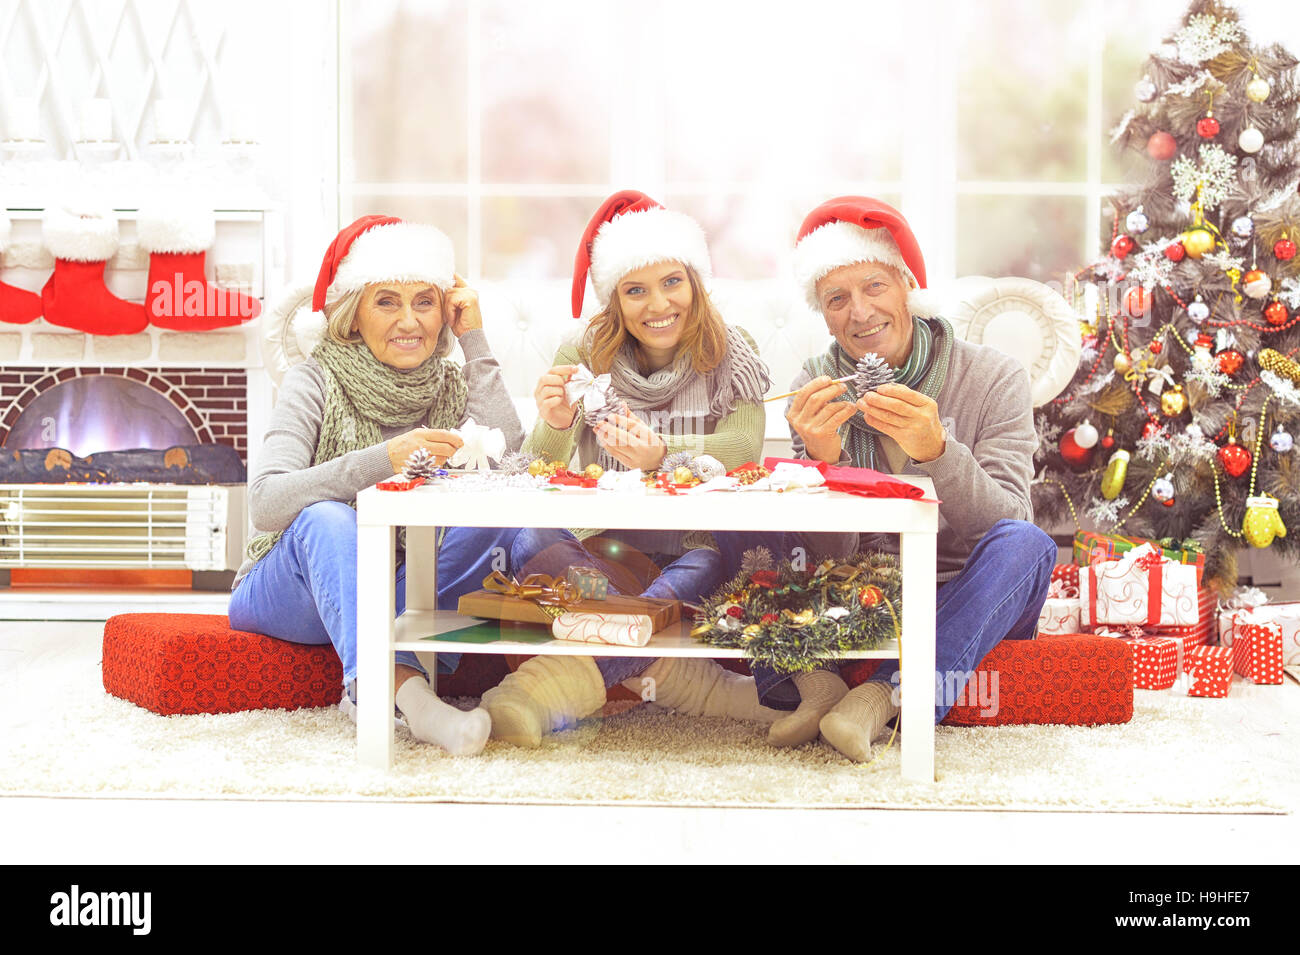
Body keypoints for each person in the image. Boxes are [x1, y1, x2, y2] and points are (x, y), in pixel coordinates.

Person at [757, 196, 1054, 760]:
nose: (859, 313)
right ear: (823, 314)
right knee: (750, 517)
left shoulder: (994, 378)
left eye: (874, 287)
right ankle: (813, 688)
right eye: (836, 299)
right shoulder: (814, 386)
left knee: (1028, 545)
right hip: (865, 590)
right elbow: (831, 555)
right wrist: (826, 467)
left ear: (906, 286)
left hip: (965, 587)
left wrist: (938, 452)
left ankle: (880, 695)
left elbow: (1005, 524)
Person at [480, 190, 780, 747]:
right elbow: (542, 468)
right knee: (528, 538)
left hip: (694, 547)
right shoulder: (583, 352)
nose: (657, 303)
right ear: (614, 299)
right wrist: (553, 418)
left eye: (672, 282)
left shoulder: (733, 351)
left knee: (711, 561)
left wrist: (661, 456)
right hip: (603, 555)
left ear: (694, 281)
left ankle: (540, 694)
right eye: (635, 290)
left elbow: (743, 453)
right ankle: (684, 677)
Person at [228, 215, 525, 756]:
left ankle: (391, 682)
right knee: (328, 517)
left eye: (425, 301)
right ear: (353, 314)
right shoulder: (313, 379)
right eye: (387, 301)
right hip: (292, 584)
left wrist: (474, 338)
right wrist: (382, 460)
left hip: (400, 584)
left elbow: (510, 456)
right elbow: (267, 503)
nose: (409, 321)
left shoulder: (450, 385)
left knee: (496, 508)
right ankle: (403, 698)